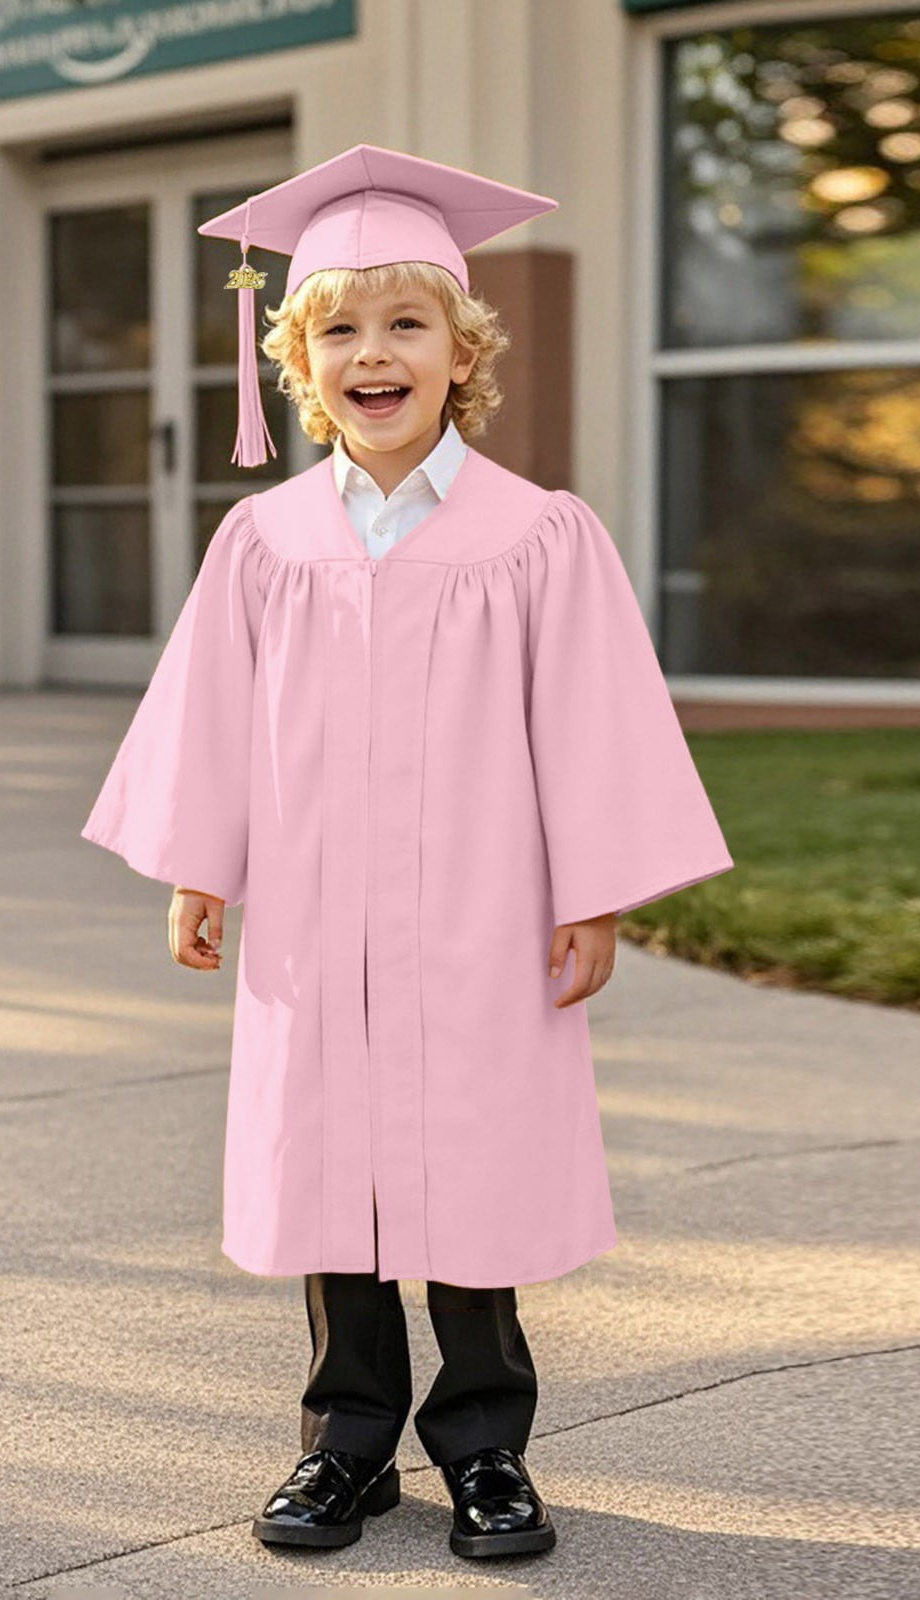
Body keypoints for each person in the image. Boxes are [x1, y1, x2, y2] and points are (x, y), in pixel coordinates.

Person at [80, 144, 734, 1561]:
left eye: (405, 323)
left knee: (474, 1178)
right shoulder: (265, 542)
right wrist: (204, 865)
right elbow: (213, 719)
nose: (371, 354)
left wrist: (595, 891)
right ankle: (347, 1449)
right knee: (334, 1176)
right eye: (339, 328)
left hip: (483, 915)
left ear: (461, 351)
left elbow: (592, 720)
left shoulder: (539, 537)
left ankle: (487, 1451)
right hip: (319, 923)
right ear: (299, 363)